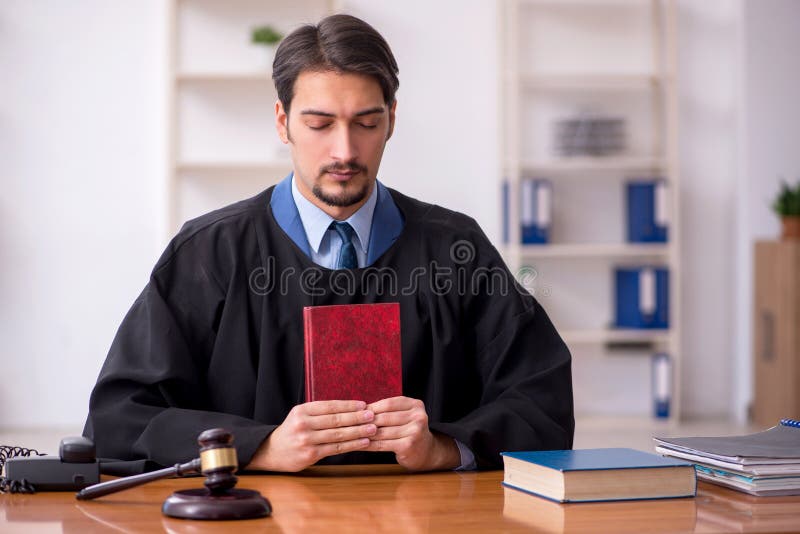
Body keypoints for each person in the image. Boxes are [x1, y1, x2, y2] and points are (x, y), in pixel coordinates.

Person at [84, 14, 574, 475]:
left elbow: (541, 404)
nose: (345, 151)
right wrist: (259, 447)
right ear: (283, 122)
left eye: (366, 123)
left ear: (391, 120)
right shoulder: (208, 254)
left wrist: (443, 448)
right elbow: (120, 419)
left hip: (425, 517)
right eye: (319, 124)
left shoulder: (456, 251)